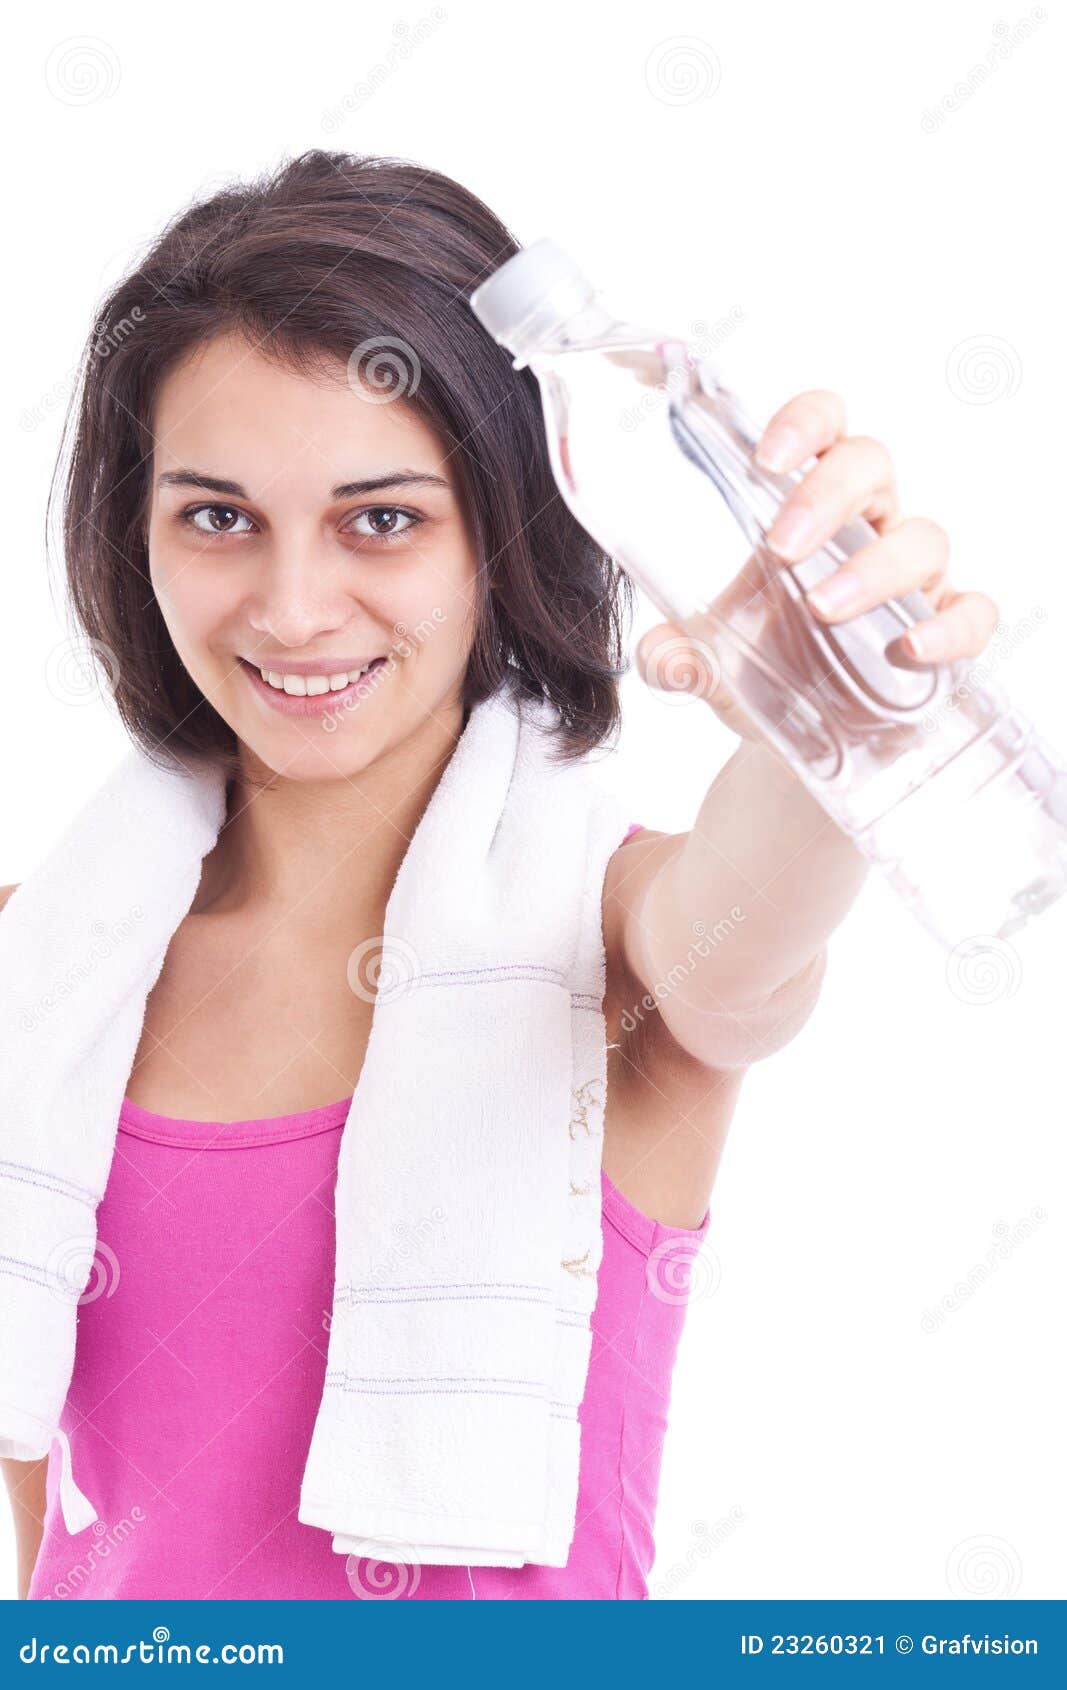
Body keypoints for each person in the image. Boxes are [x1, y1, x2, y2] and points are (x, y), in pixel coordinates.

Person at [0, 149, 997, 1600]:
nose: (291, 608)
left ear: (507, 530)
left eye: (381, 518)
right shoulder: (43, 962)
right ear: (133, 530)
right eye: (219, 516)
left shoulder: (613, 947)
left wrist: (831, 716)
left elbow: (749, 931)